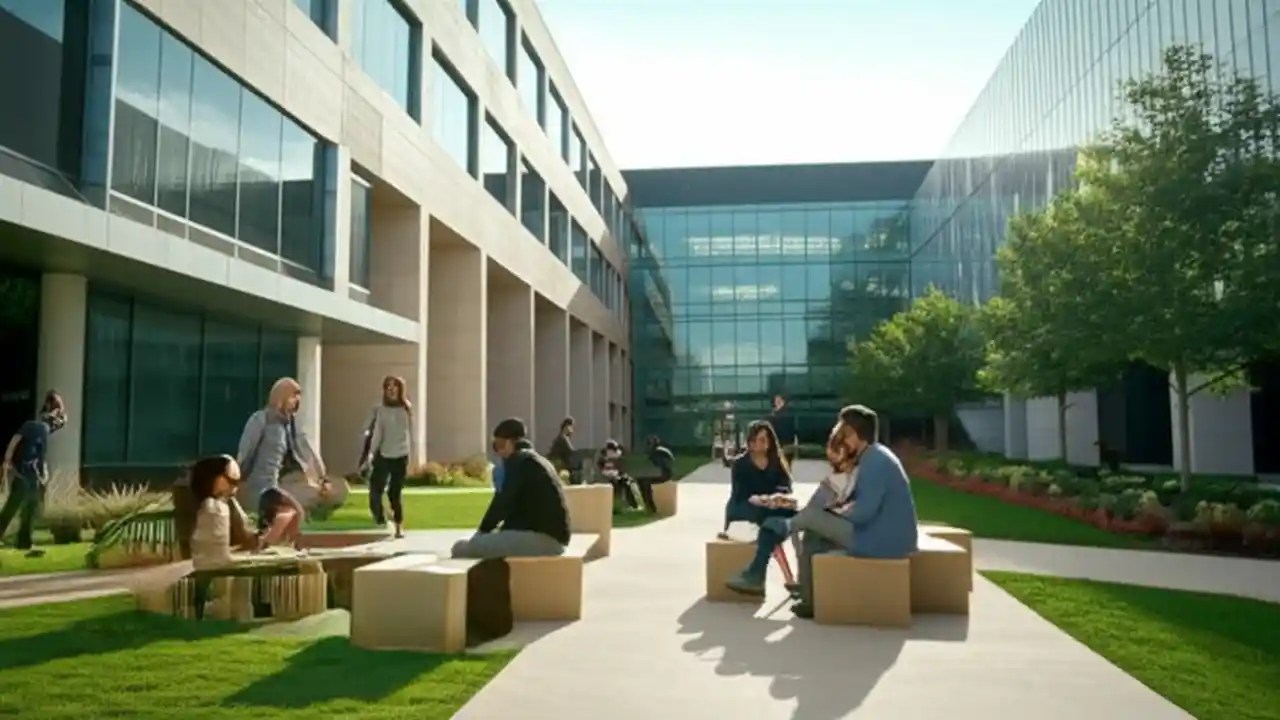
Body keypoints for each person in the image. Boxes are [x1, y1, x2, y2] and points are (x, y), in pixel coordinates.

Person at [746, 405, 919, 618]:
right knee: (813, 530)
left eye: (845, 434)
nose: (841, 440)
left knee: (812, 517)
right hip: (879, 533)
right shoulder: (871, 457)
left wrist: (832, 511)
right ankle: (809, 597)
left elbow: (863, 513)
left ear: (859, 435)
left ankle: (784, 527)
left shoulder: (876, 463)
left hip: (882, 541)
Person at [727, 426, 857, 600]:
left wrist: (779, 497)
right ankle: (783, 578)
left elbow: (785, 487)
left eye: (764, 440)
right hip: (747, 506)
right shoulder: (741, 465)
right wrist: (761, 499)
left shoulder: (776, 462)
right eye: (755, 440)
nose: (759, 444)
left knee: (786, 516)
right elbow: (740, 494)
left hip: (774, 507)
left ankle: (758, 574)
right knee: (771, 521)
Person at [452, 418, 570, 559]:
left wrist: (482, 532)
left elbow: (502, 502)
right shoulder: (536, 460)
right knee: (492, 541)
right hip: (551, 538)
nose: (499, 452)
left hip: (542, 540)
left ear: (510, 444)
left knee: (461, 548)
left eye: (499, 445)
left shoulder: (518, 462)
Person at [236, 378, 328, 520]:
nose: (296, 400)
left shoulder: (291, 426)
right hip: (261, 486)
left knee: (322, 496)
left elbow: (307, 451)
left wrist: (322, 477)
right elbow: (246, 451)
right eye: (293, 396)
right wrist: (236, 479)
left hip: (283, 483)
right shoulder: (261, 419)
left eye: (298, 396)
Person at [0, 391, 66, 554]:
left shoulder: (41, 428)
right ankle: (23, 542)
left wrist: (42, 473)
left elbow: (39, 452)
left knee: (25, 506)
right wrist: (7, 461)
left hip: (30, 472)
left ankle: (24, 542)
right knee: (20, 505)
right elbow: (16, 440)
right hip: (25, 470)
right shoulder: (36, 426)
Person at [359, 376, 414, 538]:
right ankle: (381, 519)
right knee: (375, 489)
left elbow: (412, 433)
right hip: (384, 454)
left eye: (394, 386)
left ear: (400, 389)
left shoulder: (406, 409)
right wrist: (370, 454)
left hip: (401, 455)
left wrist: (414, 457)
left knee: (394, 493)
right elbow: (378, 433)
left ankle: (398, 526)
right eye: (388, 386)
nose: (391, 389)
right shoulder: (381, 409)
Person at [186, 455, 248, 570]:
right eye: (231, 481)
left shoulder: (221, 504)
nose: (234, 488)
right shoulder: (213, 508)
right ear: (216, 478)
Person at [631, 435, 675, 514]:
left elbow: (661, 466)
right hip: (660, 474)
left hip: (664, 475)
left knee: (644, 483)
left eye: (649, 444)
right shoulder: (656, 452)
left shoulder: (658, 452)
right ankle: (648, 505)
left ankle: (650, 506)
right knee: (641, 481)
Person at [597, 440, 639, 512]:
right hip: (606, 478)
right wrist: (608, 474)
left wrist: (620, 475)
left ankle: (633, 505)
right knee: (614, 485)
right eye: (611, 451)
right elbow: (599, 470)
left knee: (626, 484)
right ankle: (613, 506)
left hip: (617, 477)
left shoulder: (618, 456)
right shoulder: (602, 458)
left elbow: (622, 469)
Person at [547, 417, 579, 484]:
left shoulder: (559, 439)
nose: (572, 429)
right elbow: (570, 452)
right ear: (566, 427)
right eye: (571, 426)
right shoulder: (562, 439)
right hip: (561, 469)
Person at [768, 394, 799, 465]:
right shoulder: (774, 414)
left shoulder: (786, 412)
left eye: (779, 400)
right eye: (776, 400)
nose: (777, 402)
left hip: (785, 443)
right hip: (781, 443)